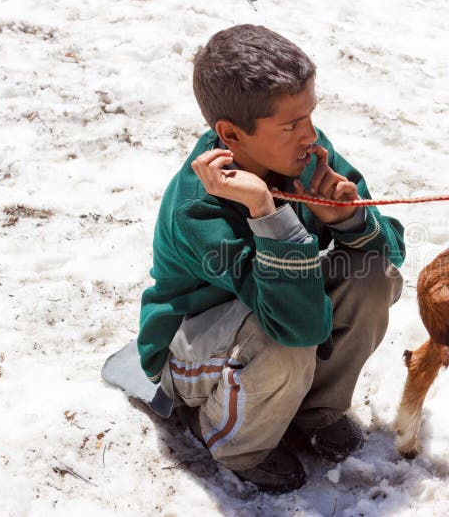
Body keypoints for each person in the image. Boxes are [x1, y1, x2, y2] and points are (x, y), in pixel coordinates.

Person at [135, 24, 405, 493]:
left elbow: (390, 253)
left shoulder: (305, 156)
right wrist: (265, 211)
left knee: (372, 276)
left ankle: (314, 409)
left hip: (272, 314)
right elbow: (292, 326)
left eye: (309, 116)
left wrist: (345, 221)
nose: (309, 135)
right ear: (231, 134)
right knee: (283, 341)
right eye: (289, 125)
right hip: (191, 350)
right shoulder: (199, 210)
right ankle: (237, 443)